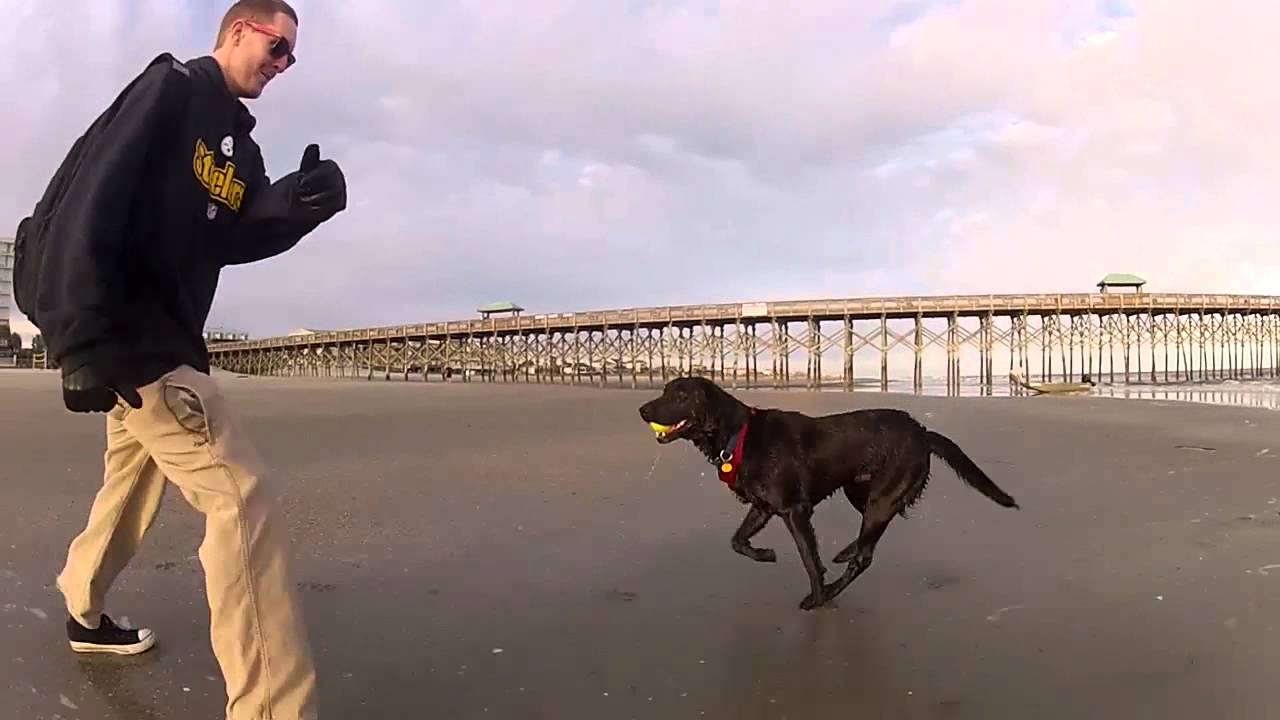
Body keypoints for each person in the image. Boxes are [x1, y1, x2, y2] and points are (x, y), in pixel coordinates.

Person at [19, 1, 345, 718]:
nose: (283, 64)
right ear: (238, 30)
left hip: (164, 338)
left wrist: (302, 205)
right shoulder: (171, 89)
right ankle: (271, 707)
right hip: (136, 339)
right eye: (278, 46)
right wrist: (76, 340)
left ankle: (82, 603)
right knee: (240, 495)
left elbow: (237, 229)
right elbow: (85, 195)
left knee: (132, 480)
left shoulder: (240, 143)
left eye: (292, 57)